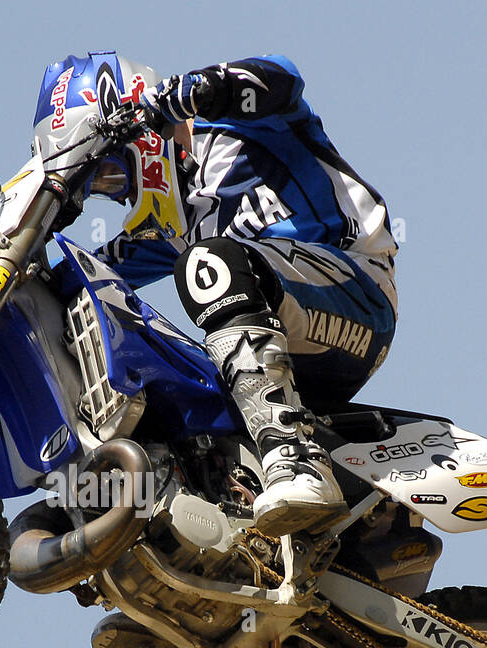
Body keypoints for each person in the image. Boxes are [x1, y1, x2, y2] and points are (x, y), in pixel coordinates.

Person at [33, 53, 399, 537]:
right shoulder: (164, 222)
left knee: (209, 262)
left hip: (355, 294)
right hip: (278, 349)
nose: (116, 193)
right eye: (98, 186)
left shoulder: (231, 121)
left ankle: (299, 464)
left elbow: (281, 78)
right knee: (126, 337)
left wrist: (203, 86)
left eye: (109, 173)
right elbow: (81, 276)